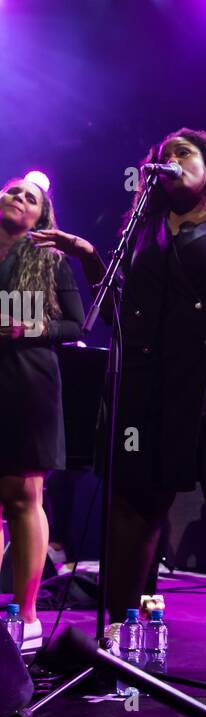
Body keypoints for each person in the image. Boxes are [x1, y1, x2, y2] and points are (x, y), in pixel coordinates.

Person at [33, 129, 206, 681]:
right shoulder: (142, 235)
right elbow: (118, 318)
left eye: (184, 153)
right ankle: (118, 630)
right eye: (162, 157)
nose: (170, 161)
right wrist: (88, 257)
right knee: (133, 502)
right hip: (152, 384)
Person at [0, 176, 85, 654]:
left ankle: (27, 615)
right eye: (13, 191)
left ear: (41, 219)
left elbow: (77, 322)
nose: (20, 198)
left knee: (23, 494)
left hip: (29, 382)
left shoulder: (49, 262)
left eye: (31, 198)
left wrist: (27, 325)